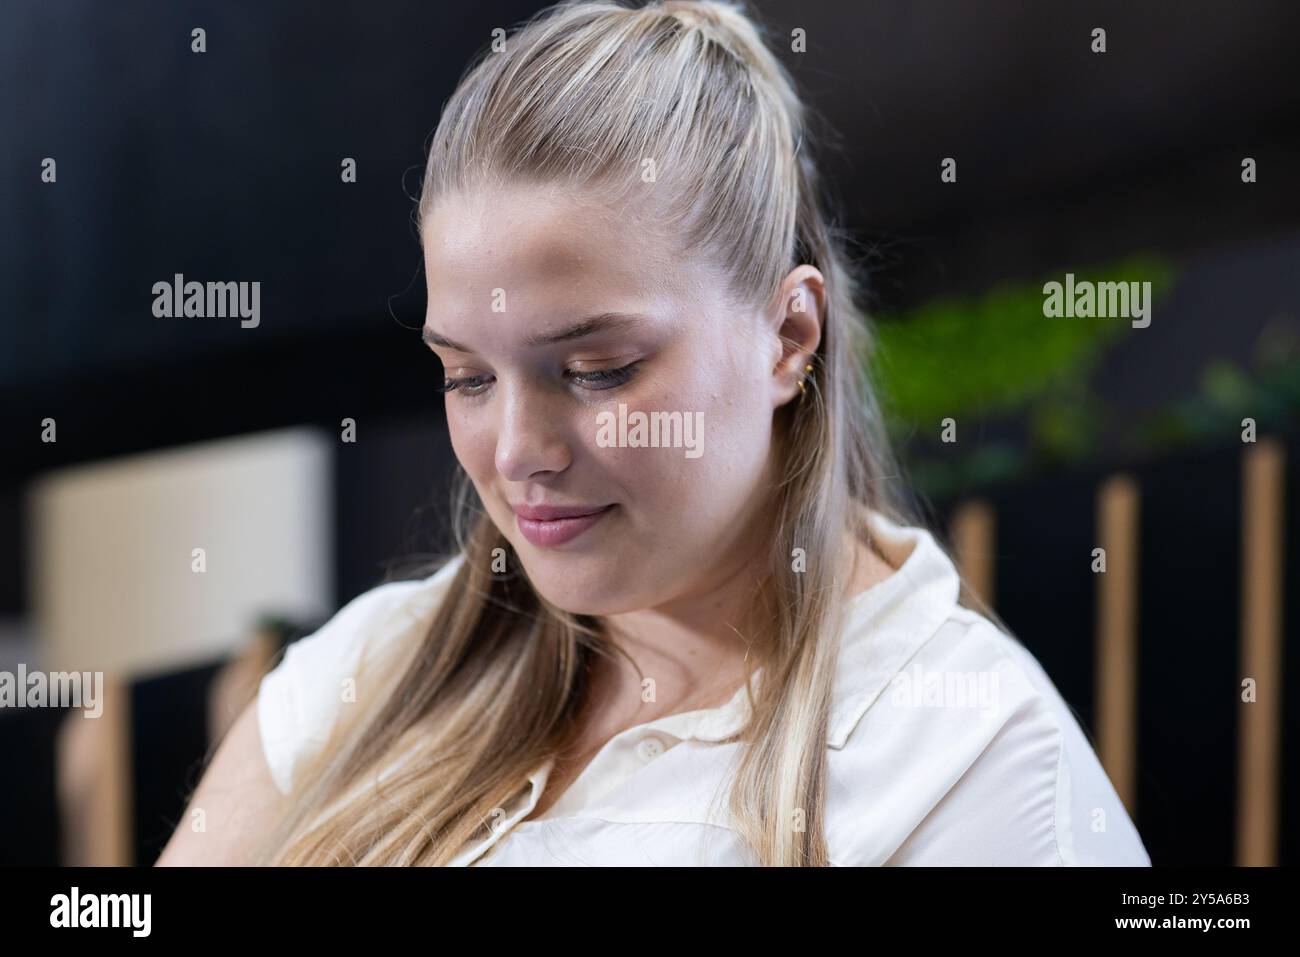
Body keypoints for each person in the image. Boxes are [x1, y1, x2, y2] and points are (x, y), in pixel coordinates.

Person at [157, 0, 1150, 867]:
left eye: (595, 371)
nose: (516, 451)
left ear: (786, 336)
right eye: (466, 376)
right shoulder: (371, 671)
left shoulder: (964, 758)